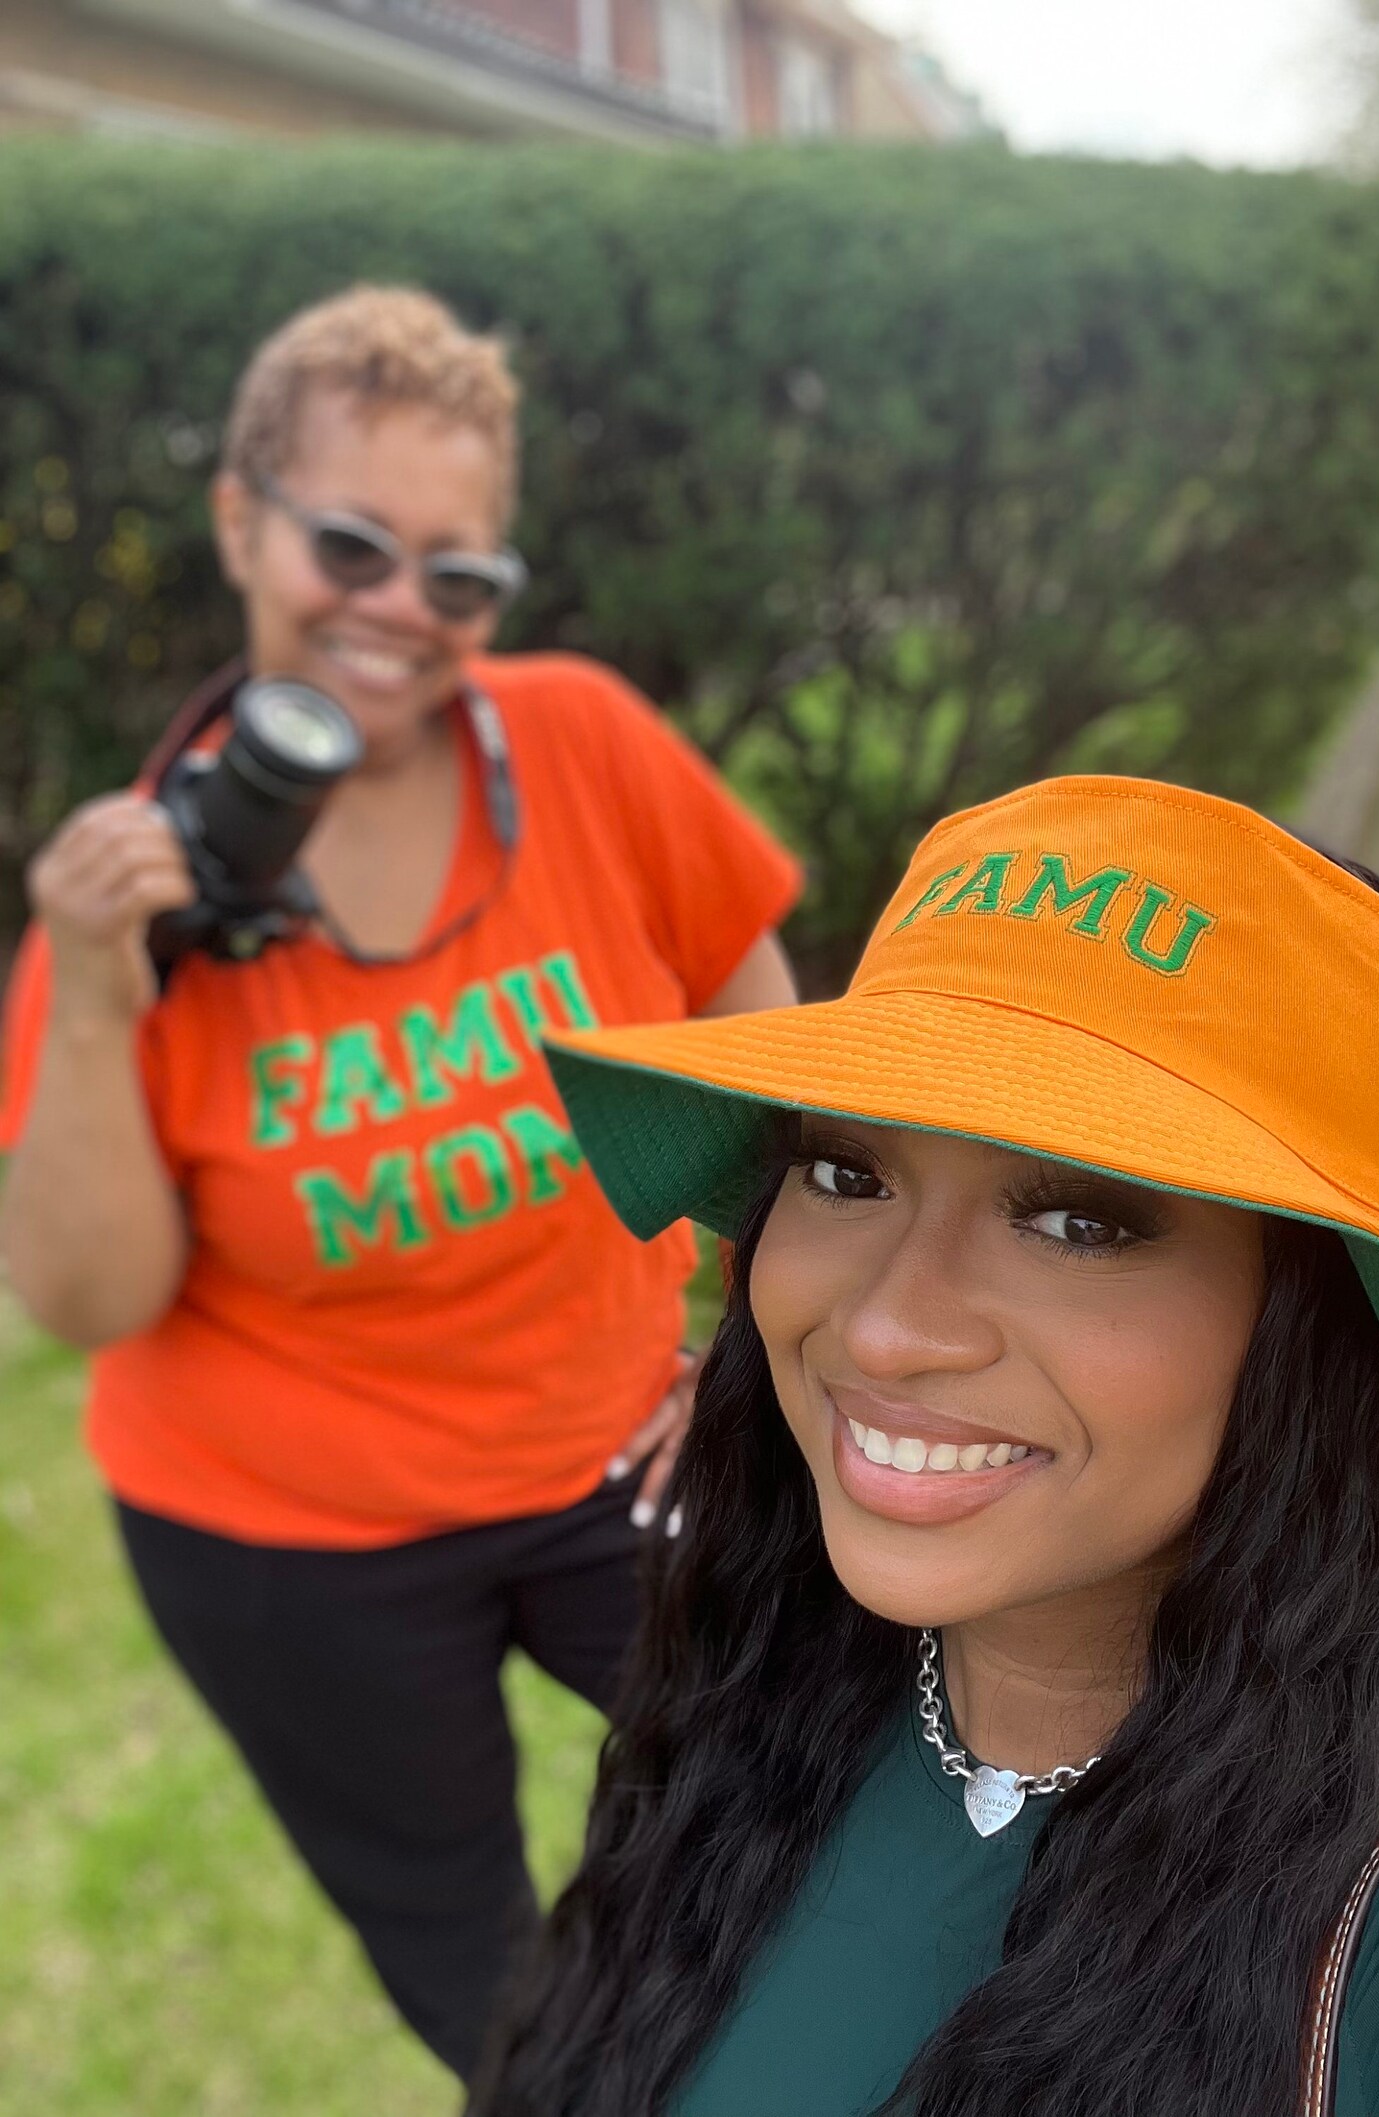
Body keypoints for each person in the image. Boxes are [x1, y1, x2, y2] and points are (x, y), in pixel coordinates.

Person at [473, 775, 1379, 2117]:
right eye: (846, 1173)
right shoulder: (761, 1691)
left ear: (1318, 1337)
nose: (885, 1327)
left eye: (1075, 1221)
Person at [0, 285, 800, 2080]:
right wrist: (93, 992)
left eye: (458, 576)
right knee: (478, 1959)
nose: (397, 610)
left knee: (798, 1793)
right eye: (349, 542)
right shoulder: (137, 898)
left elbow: (775, 1063)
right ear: (239, 520)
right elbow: (88, 1300)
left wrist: (755, 1333)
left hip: (615, 1445)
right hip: (293, 1542)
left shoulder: (586, 745)